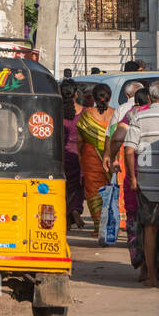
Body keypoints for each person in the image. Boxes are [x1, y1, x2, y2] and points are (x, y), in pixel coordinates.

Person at [124, 81, 159, 290]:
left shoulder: (139, 117)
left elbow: (129, 150)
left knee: (149, 229)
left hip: (147, 182)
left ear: (151, 97)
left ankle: (152, 277)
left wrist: (133, 177)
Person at [106, 82, 151, 273]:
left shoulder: (131, 114)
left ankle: (141, 263)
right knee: (156, 221)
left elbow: (116, 137)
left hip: (135, 172)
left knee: (135, 219)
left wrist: (111, 156)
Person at [76, 83, 115, 237]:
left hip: (91, 156)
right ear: (110, 97)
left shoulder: (87, 114)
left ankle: (99, 226)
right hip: (111, 157)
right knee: (110, 190)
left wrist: (80, 155)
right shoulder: (115, 113)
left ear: (93, 97)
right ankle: (111, 224)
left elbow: (80, 139)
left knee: (94, 191)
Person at [60, 80, 85, 231]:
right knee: (77, 186)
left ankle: (66, 218)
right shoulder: (85, 112)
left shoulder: (56, 112)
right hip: (80, 155)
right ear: (76, 93)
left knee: (63, 187)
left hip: (61, 155)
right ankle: (75, 209)